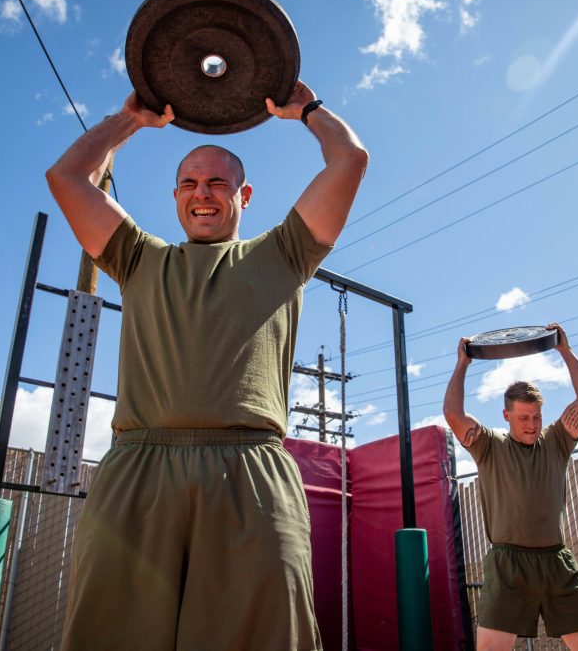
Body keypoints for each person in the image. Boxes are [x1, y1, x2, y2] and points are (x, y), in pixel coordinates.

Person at [45, 81, 368, 650]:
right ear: (174, 197)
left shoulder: (285, 254)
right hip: (139, 470)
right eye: (190, 183)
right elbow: (66, 178)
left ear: (244, 196)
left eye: (218, 183)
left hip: (251, 474)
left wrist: (308, 112)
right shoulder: (138, 256)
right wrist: (130, 121)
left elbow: (349, 159)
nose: (203, 194)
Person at [443, 323, 578, 651]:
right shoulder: (489, 445)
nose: (532, 424)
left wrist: (564, 349)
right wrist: (462, 365)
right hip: (509, 564)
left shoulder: (556, 441)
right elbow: (452, 413)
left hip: (555, 561)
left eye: (536, 416)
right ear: (506, 415)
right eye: (523, 418)